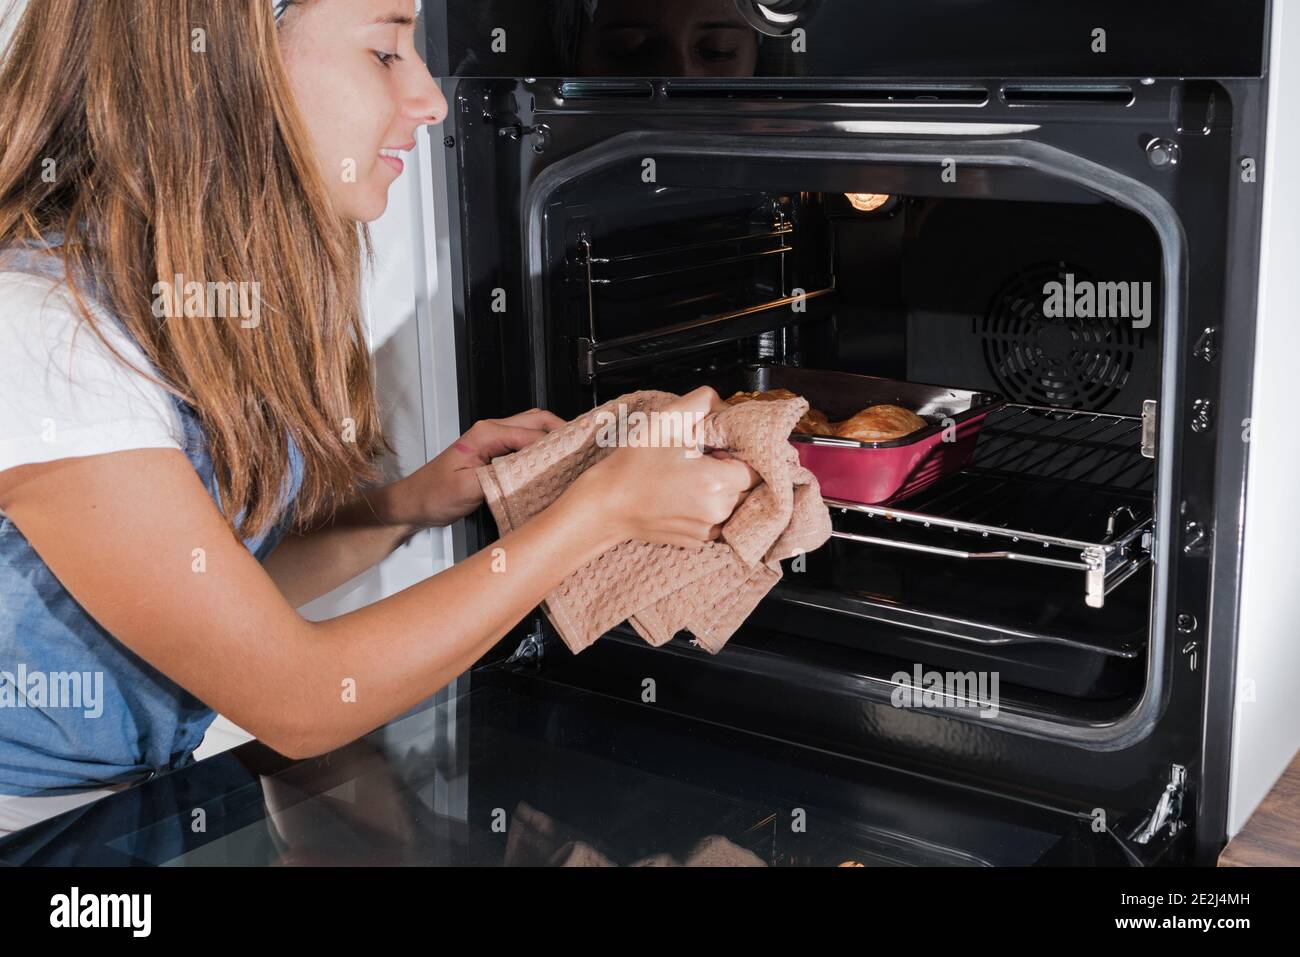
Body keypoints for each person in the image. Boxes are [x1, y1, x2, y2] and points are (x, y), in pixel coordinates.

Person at [0, 0, 756, 833]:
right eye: (388, 49)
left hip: (134, 812)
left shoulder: (169, 298)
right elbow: (298, 697)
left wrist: (407, 507)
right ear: (226, 67)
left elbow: (214, 600)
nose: (432, 99)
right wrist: (599, 512)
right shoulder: (42, 331)